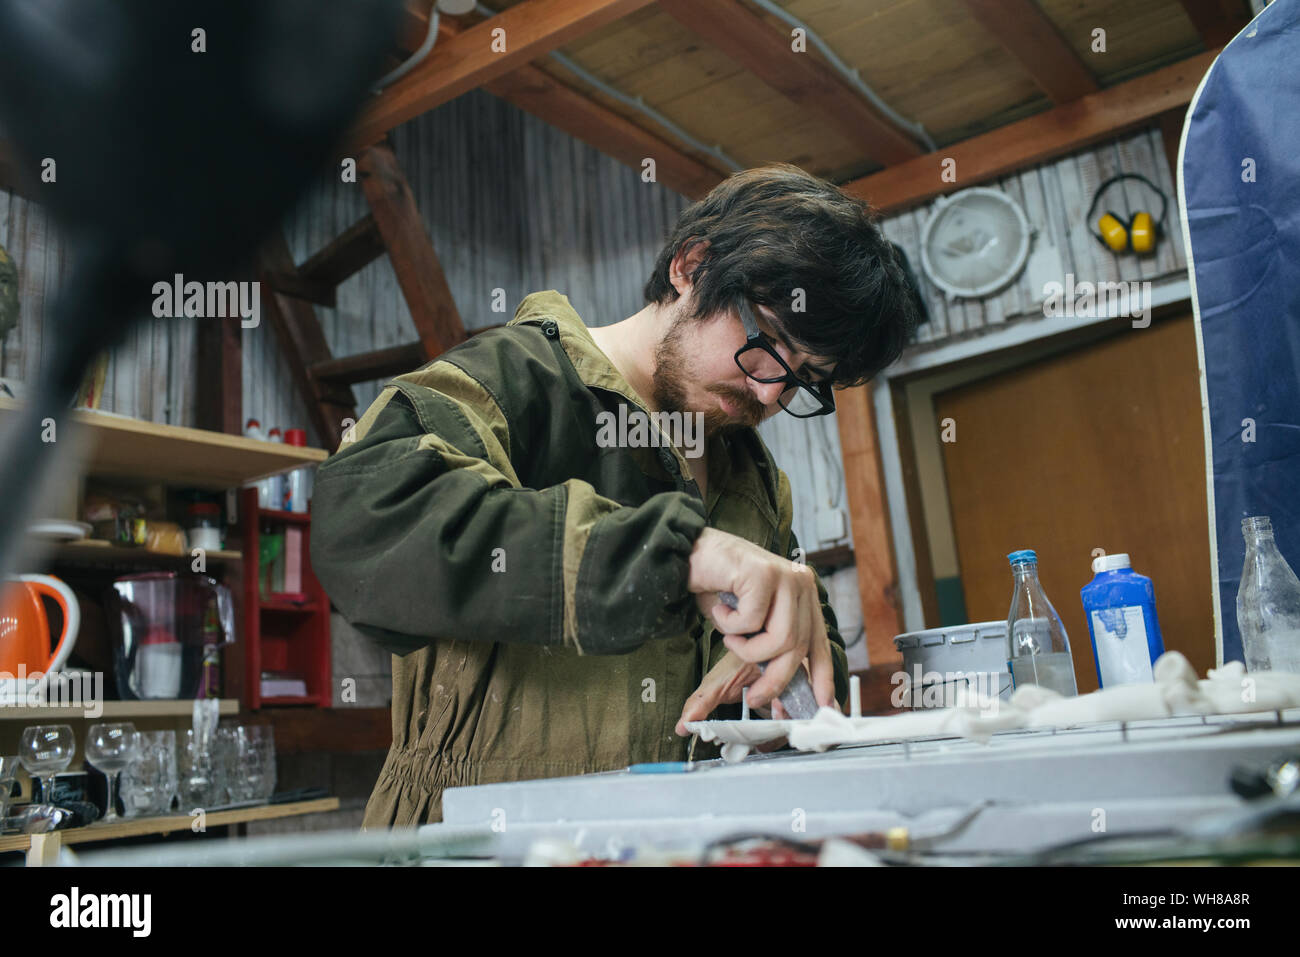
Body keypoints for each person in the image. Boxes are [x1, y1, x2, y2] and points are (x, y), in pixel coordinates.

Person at [310, 163, 920, 828]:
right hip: (473, 837)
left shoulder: (751, 473)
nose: (773, 393)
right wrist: (675, 556)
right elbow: (364, 523)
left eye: (804, 379)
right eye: (769, 346)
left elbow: (794, 657)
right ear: (692, 265)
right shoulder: (515, 381)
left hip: (673, 835)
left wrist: (781, 676)